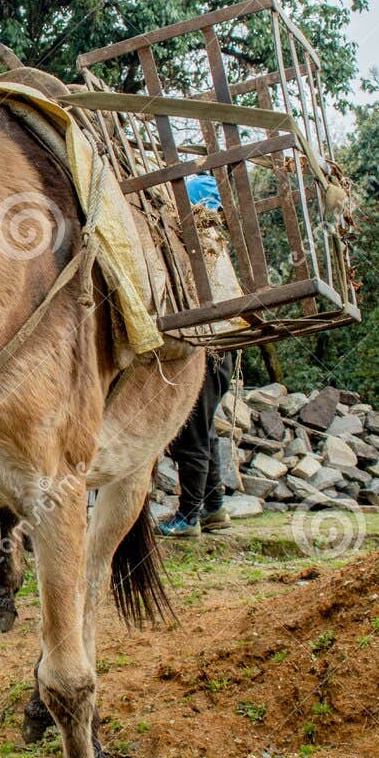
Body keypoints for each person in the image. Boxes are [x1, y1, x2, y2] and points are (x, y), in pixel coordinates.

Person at [158, 172, 236, 538]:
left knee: (190, 433)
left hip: (206, 351)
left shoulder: (199, 246)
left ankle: (188, 516)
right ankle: (214, 507)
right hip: (221, 350)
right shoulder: (215, 247)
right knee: (203, 430)